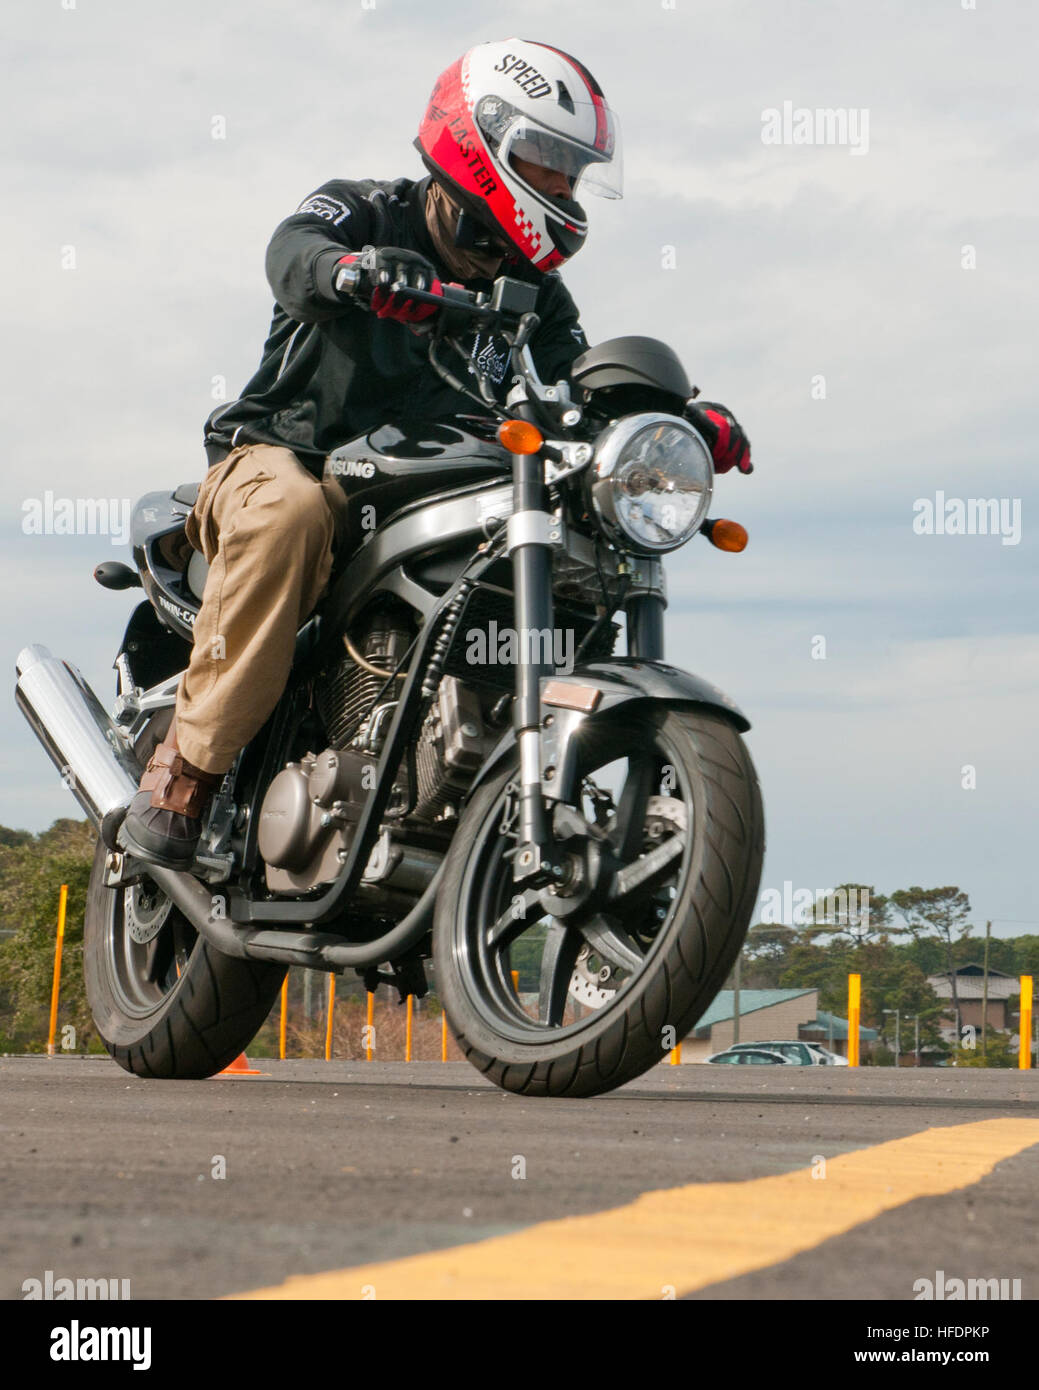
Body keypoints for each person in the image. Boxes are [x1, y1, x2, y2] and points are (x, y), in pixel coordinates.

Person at [119, 37, 752, 870]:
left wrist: (673, 419)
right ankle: (186, 774)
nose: (563, 184)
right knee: (288, 512)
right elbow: (291, 252)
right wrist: (349, 271)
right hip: (288, 457)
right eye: (547, 158)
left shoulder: (535, 293)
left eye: (573, 166)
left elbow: (578, 382)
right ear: (477, 137)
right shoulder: (367, 210)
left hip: (423, 486)